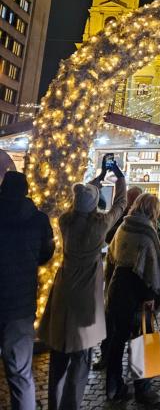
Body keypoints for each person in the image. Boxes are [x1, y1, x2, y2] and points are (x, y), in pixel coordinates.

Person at [38, 160, 127, 410]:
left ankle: (54, 404)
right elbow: (120, 205)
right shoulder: (99, 225)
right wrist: (118, 178)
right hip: (85, 296)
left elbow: (79, 199)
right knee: (81, 357)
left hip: (63, 291)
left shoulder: (65, 221)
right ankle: (70, 405)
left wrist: (97, 178)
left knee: (58, 354)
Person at [105, 193, 160, 406]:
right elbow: (150, 266)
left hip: (118, 287)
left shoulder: (124, 226)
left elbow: (112, 256)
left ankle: (114, 386)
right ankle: (143, 388)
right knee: (143, 337)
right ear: (153, 210)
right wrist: (150, 296)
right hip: (138, 292)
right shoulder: (146, 231)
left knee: (117, 339)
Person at [0, 171, 55, 410]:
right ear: (25, 190)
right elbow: (46, 253)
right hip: (21, 307)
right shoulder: (38, 219)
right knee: (21, 374)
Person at [93, 185, 143, 371]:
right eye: (130, 198)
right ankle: (108, 357)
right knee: (112, 320)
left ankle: (134, 364)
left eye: (133, 199)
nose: (131, 202)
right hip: (116, 277)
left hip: (132, 282)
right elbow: (108, 236)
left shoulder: (142, 221)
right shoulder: (122, 219)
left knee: (132, 325)